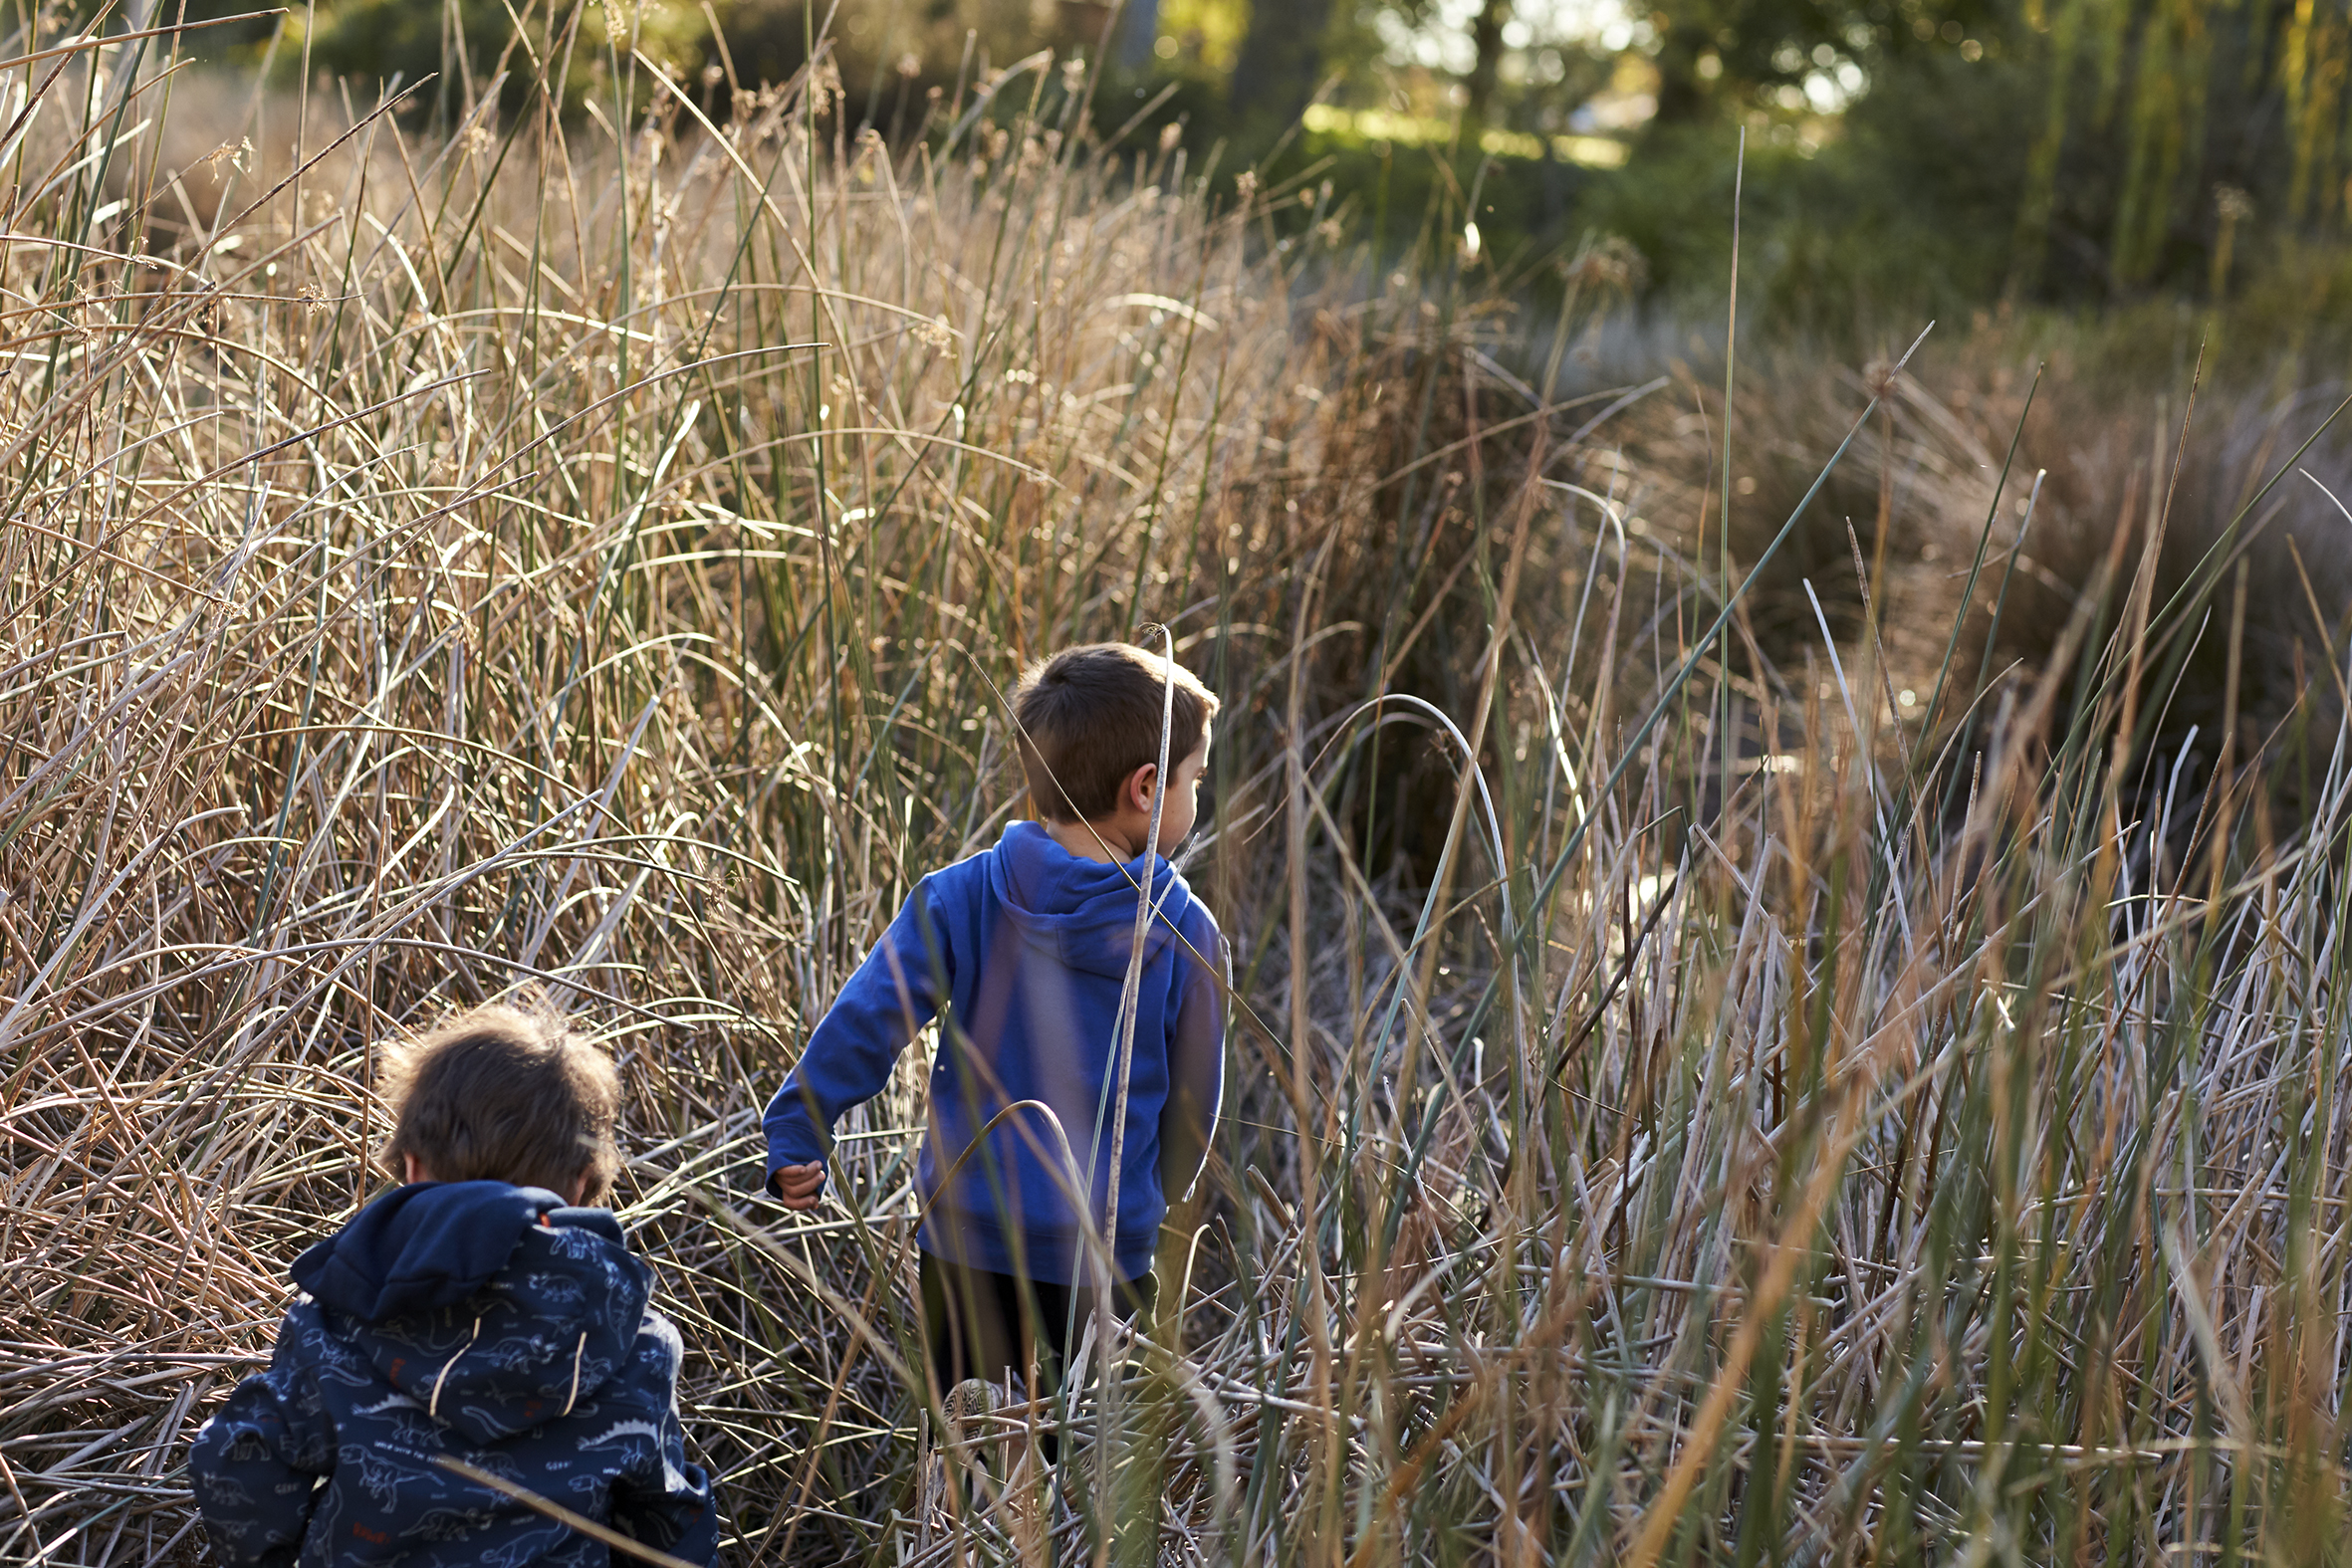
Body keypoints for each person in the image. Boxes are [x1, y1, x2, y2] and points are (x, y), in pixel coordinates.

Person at [763, 641, 1227, 1416]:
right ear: (1146, 788)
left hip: (960, 1249)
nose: (1195, 797)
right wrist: (1154, 1199)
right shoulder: (1185, 933)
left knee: (966, 1472)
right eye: (1194, 780)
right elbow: (1193, 1107)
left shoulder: (960, 898)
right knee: (1083, 1498)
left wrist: (798, 1129)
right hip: (1103, 1261)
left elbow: (868, 1018)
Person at [190, 1004, 719, 1567]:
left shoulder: (343, 1318)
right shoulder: (631, 1341)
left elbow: (242, 1464)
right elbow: (669, 1525)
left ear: (413, 1167)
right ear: (584, 1184)